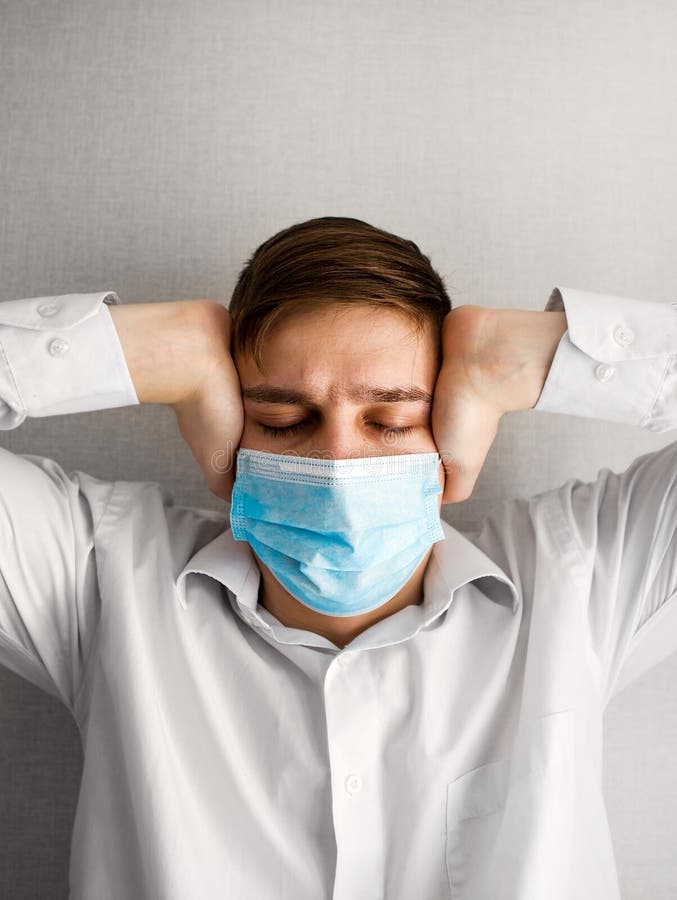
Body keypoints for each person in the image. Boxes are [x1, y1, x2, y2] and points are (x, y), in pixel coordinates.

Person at [0, 215, 675, 900]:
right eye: (284, 422)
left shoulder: (583, 572)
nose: (338, 462)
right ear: (226, 422)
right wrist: (140, 349)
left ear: (452, 423)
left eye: (390, 422)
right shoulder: (99, 570)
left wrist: (534, 354)